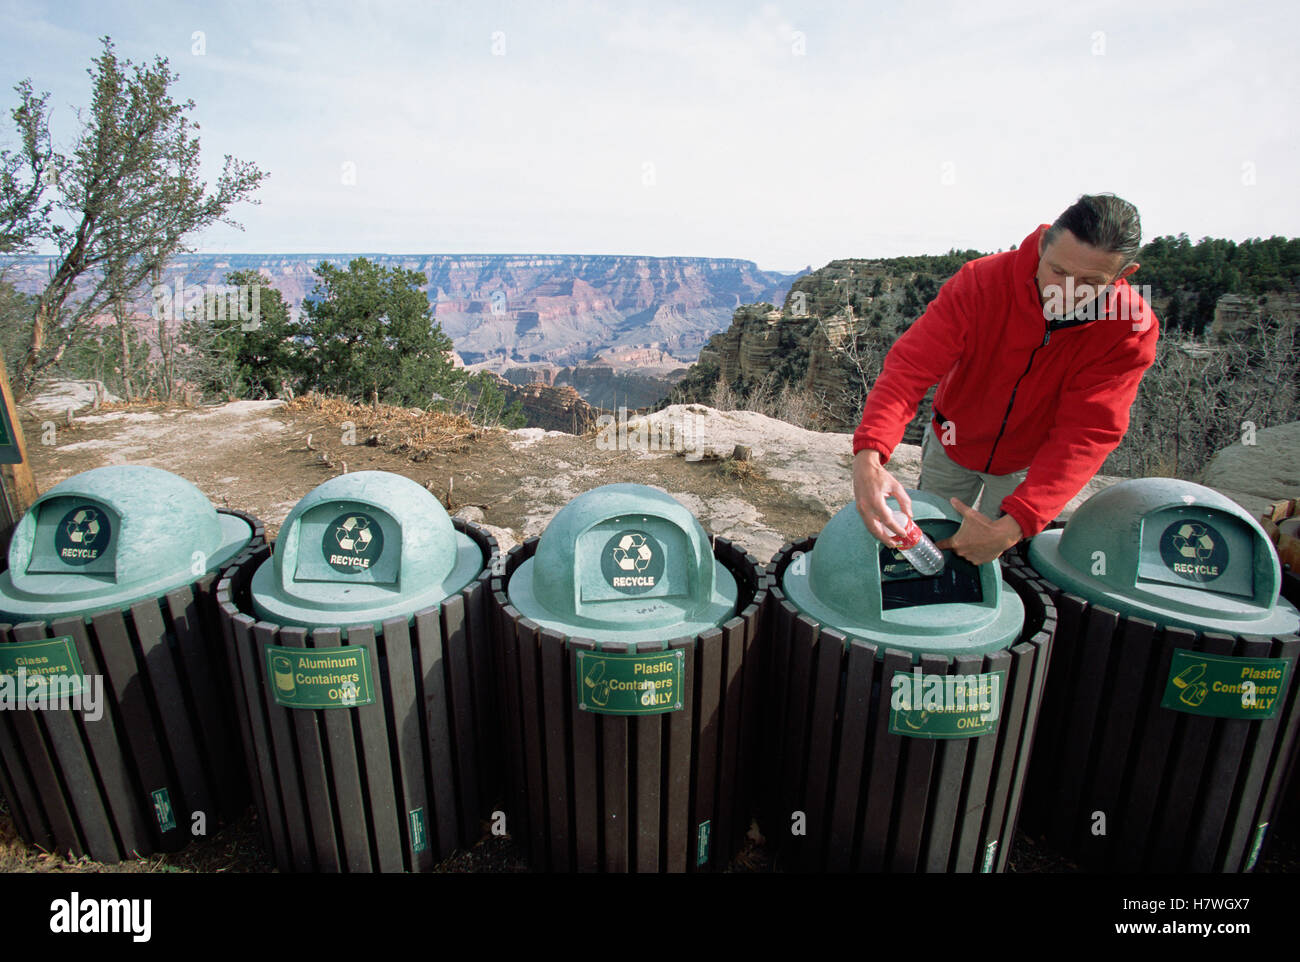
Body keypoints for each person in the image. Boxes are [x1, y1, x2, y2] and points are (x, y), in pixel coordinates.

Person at [851, 193, 1159, 565]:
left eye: (1090, 282)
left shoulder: (1128, 328)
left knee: (992, 558)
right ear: (1043, 245)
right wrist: (869, 454)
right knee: (930, 535)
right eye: (1058, 271)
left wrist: (1017, 523)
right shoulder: (982, 282)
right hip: (953, 443)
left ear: (1124, 274)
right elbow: (909, 368)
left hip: (1027, 465)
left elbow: (1088, 431)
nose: (1066, 292)